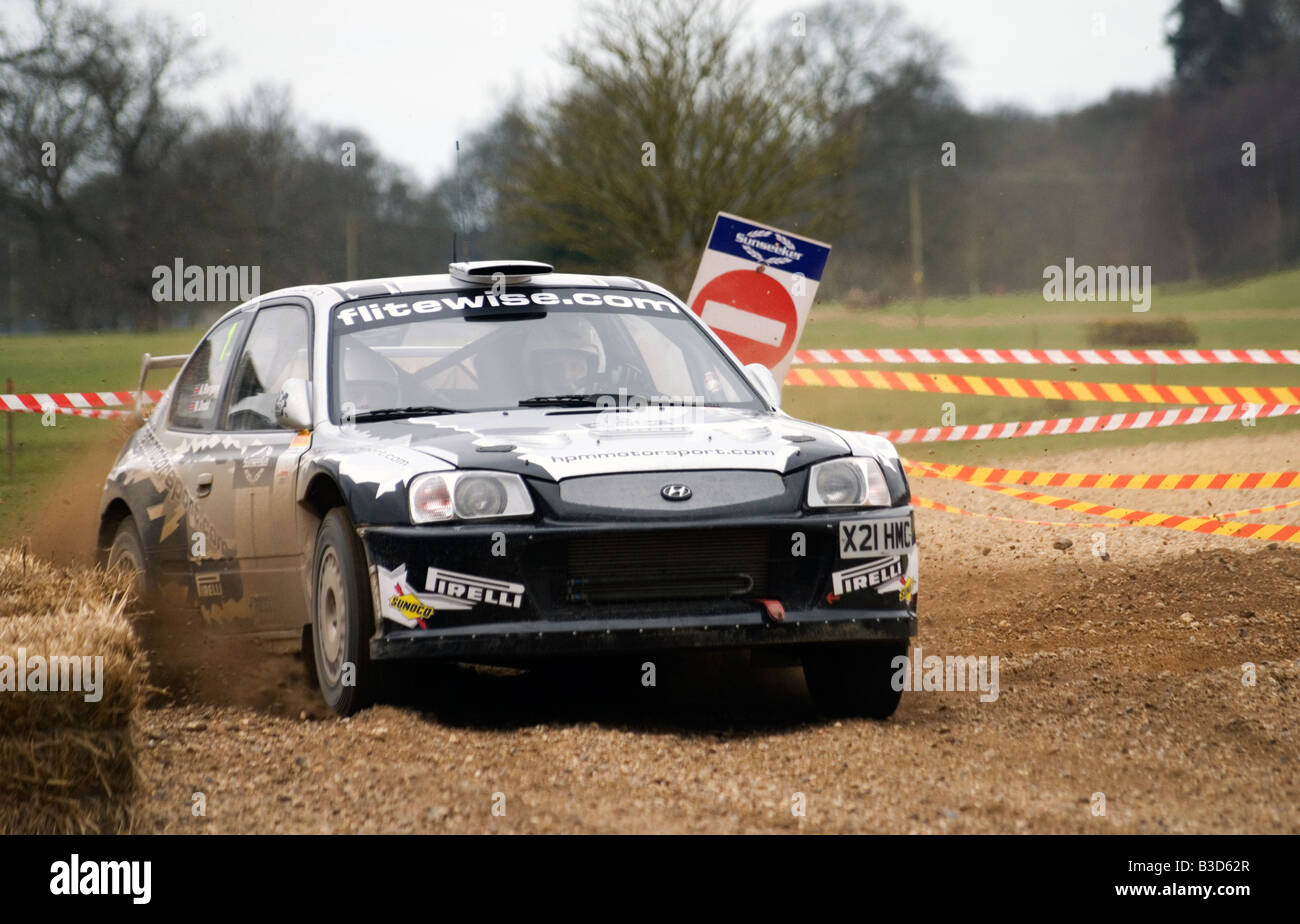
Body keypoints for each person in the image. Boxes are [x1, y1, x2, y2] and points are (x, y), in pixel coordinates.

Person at [525, 315, 603, 395]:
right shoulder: (513, 404)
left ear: (592, 370)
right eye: (554, 365)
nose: (566, 376)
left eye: (575, 366)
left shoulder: (612, 406)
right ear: (536, 370)